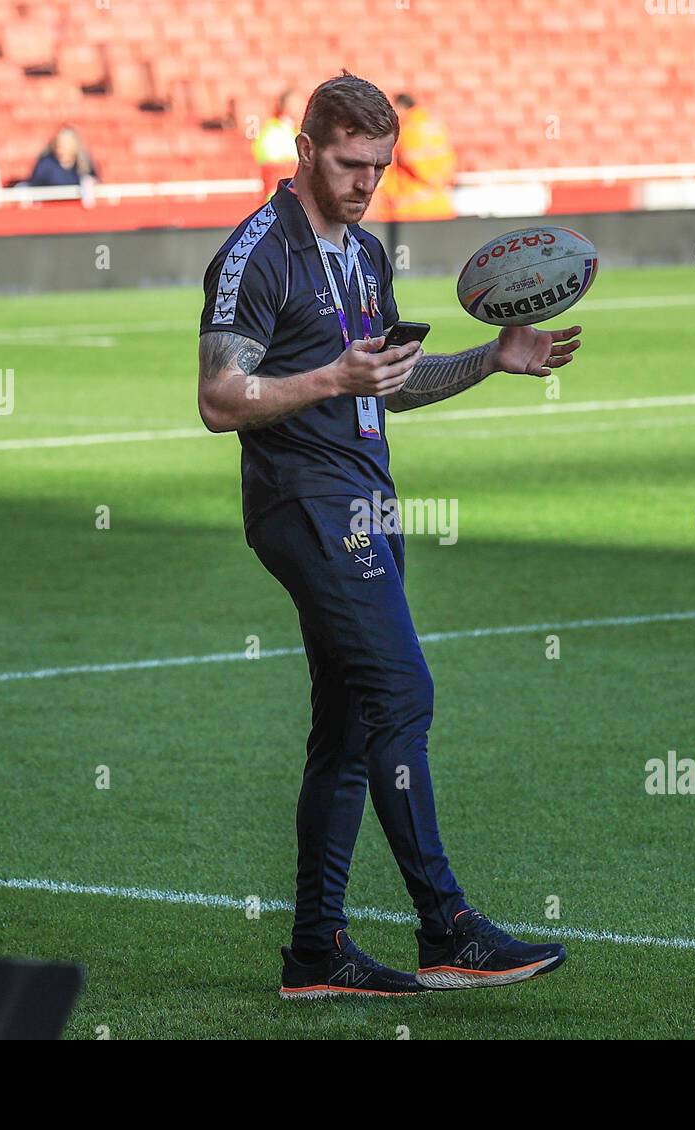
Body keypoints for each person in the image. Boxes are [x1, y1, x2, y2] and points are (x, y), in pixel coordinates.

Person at [197, 72, 583, 999]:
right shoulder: (258, 255)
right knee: (402, 694)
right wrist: (330, 379)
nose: (366, 181)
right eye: (349, 162)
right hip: (303, 502)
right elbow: (219, 399)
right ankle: (446, 925)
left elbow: (391, 382)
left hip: (365, 499)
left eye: (380, 164)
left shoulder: (366, 254)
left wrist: (491, 358)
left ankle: (315, 951)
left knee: (351, 722)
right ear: (304, 149)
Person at [376, 92, 456, 221]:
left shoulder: (409, 129)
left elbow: (414, 162)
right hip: (440, 205)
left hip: (414, 210)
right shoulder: (434, 125)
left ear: (400, 108)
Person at [27, 126, 98, 200]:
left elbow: (94, 181)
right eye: (60, 144)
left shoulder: (84, 162)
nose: (61, 148)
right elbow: (33, 188)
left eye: (66, 144)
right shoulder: (46, 163)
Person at [252, 89, 299, 200]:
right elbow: (266, 160)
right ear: (285, 106)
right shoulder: (270, 130)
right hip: (277, 195)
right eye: (296, 103)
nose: (300, 107)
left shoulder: (299, 129)